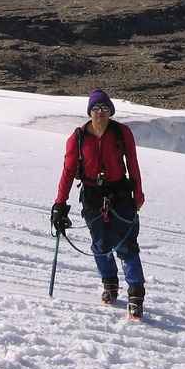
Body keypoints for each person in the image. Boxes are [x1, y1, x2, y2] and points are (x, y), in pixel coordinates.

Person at [51, 89, 147, 319]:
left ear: (111, 111)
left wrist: (138, 195)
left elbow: (132, 164)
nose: (100, 113)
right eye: (96, 108)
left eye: (104, 108)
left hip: (120, 195)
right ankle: (110, 283)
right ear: (89, 112)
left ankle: (136, 293)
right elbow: (68, 171)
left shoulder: (122, 133)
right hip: (93, 197)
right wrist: (59, 204)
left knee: (127, 245)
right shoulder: (78, 137)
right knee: (100, 244)